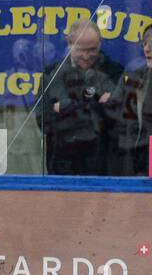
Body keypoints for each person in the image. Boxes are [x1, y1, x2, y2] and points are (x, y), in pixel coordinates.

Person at [36, 19, 122, 176]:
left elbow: (117, 120)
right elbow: (43, 121)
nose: (86, 56)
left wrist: (65, 107)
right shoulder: (51, 75)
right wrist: (95, 103)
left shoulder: (114, 73)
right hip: (62, 165)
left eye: (92, 50)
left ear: (100, 44)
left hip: (103, 164)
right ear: (69, 43)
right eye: (81, 50)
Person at [105, 23, 152, 176]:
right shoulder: (134, 75)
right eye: (144, 44)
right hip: (132, 153)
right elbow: (113, 109)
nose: (147, 49)